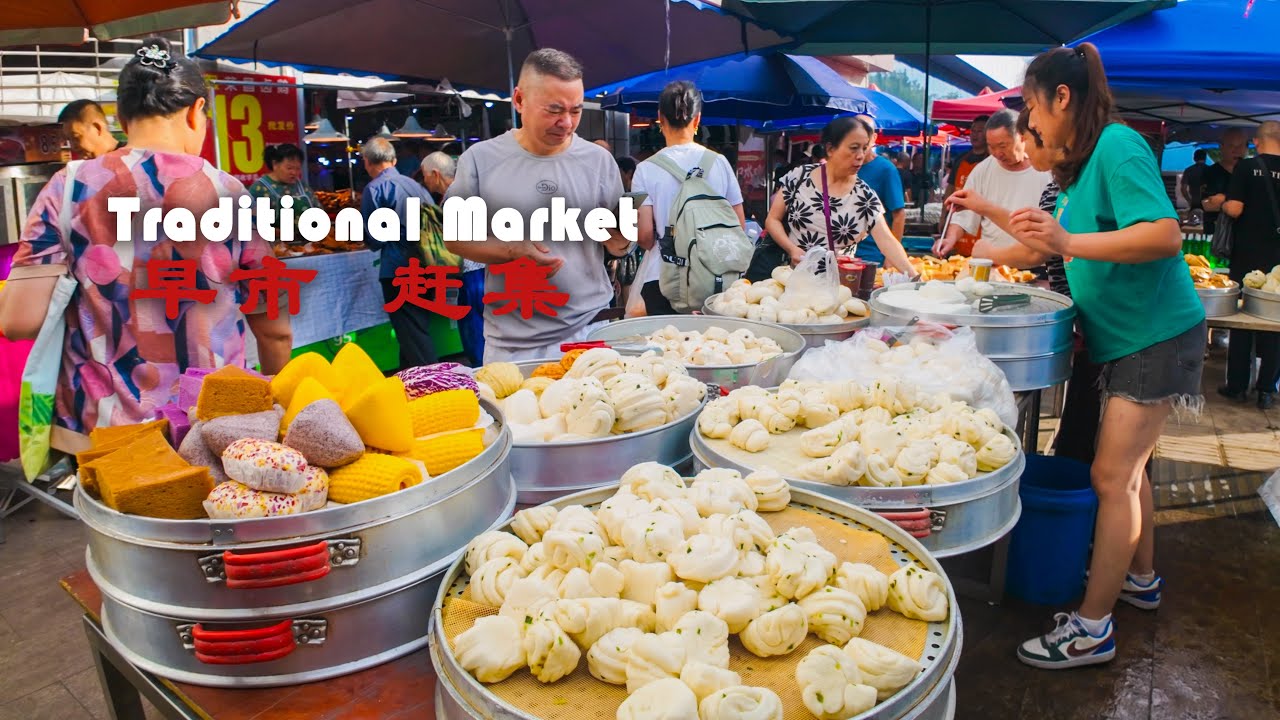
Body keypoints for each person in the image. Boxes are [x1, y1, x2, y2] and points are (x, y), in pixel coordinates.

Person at [1007, 43, 1205, 670]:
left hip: (1153, 335)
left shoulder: (1119, 144)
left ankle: (1093, 628)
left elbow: (1164, 234)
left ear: (1063, 98)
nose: (1030, 126)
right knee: (1133, 470)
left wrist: (1066, 240)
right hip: (1128, 336)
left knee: (1108, 478)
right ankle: (1139, 579)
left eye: (1033, 110)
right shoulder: (1086, 161)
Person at [0, 38, 292, 444]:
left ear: (119, 114)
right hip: (211, 430)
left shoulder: (66, 189)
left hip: (105, 437)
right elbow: (274, 329)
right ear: (196, 112)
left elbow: (18, 321)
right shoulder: (230, 194)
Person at [444, 48, 633, 362]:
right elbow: (456, 238)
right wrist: (513, 250)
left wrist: (618, 238)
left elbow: (619, 244)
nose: (567, 122)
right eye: (554, 110)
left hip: (589, 330)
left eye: (576, 110)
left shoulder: (598, 160)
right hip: (512, 343)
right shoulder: (480, 160)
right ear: (519, 100)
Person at [945, 110, 1101, 464]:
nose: (1023, 152)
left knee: (1100, 443)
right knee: (1085, 421)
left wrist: (991, 250)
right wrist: (976, 216)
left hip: (1089, 312)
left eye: (1027, 140)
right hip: (1083, 313)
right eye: (993, 146)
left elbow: (1036, 250)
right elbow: (1029, 233)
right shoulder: (1055, 186)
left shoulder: (1064, 183)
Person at [631, 81, 745, 317]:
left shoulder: (644, 169)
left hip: (662, 278)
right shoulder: (719, 162)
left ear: (660, 118)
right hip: (716, 276)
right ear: (698, 119)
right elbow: (738, 226)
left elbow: (644, 236)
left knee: (665, 348)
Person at [764, 117, 915, 275]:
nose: (860, 155)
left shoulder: (864, 196)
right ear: (830, 149)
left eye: (864, 148)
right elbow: (772, 219)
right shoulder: (800, 177)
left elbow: (887, 241)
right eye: (854, 148)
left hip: (840, 285)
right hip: (795, 279)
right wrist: (791, 248)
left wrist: (916, 279)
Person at [361, 135, 439, 369]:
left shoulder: (374, 189)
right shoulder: (416, 185)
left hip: (399, 269)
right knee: (413, 331)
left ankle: (437, 386)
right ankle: (408, 386)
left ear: (367, 162)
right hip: (429, 265)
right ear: (393, 160)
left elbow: (374, 239)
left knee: (413, 336)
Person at [934, 109, 1051, 258]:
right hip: (992, 263)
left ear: (1022, 137)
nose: (997, 153)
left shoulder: (1045, 168)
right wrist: (949, 239)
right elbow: (963, 216)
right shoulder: (982, 170)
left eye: (1003, 146)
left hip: (1037, 262)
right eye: (991, 146)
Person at [1220, 121, 1280, 409]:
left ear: (1257, 141)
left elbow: (1235, 208)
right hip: (1278, 262)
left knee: (1241, 320)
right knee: (1275, 321)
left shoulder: (1246, 167)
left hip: (1247, 257)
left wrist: (1222, 204)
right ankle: (1267, 389)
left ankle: (1237, 386)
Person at [419, 151, 485, 367]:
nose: (424, 180)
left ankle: (481, 372)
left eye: (425, 175)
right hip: (487, 269)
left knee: (474, 329)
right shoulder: (472, 190)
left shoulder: (454, 197)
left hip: (471, 271)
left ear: (436, 174)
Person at [248, 143, 320, 241]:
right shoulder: (259, 189)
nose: (294, 173)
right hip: (274, 247)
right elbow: (252, 225)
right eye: (289, 168)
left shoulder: (302, 186)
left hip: (307, 246)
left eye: (297, 168)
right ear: (275, 165)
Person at [852, 115, 906, 242]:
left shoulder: (886, 170)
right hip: (842, 251)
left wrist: (890, 257)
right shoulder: (843, 167)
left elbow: (899, 215)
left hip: (873, 253)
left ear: (874, 138)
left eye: (865, 134)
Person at [943, 114, 990, 255]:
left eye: (980, 131)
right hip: (959, 217)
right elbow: (950, 189)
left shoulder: (991, 161)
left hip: (982, 221)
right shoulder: (961, 159)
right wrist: (944, 216)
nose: (975, 135)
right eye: (973, 131)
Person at [1203, 128, 1248, 234]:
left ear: (1246, 148)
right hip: (1216, 232)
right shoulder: (1210, 172)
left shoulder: (1252, 172)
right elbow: (1207, 205)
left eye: (1240, 146)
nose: (1235, 150)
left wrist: (1224, 200)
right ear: (1221, 147)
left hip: (1245, 233)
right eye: (1231, 145)